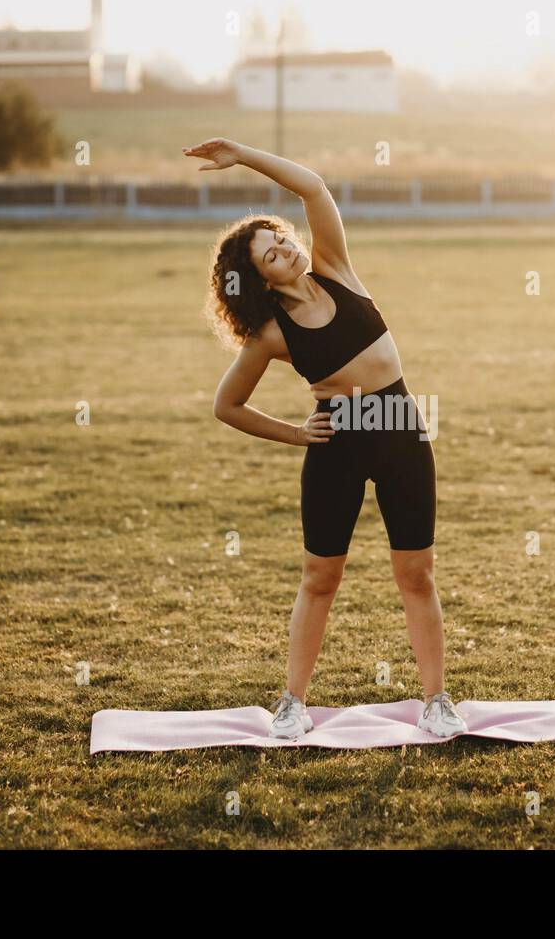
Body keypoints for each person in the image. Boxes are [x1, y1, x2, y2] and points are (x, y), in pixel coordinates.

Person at [187, 137, 467, 740]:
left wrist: (242, 154)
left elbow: (312, 186)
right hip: (336, 443)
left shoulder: (335, 268)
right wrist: (295, 433)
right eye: (269, 253)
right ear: (259, 279)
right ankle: (293, 704)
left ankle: (437, 700)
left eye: (281, 238)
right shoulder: (271, 335)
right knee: (320, 576)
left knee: (416, 571)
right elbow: (226, 405)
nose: (284, 247)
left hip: (399, 427)